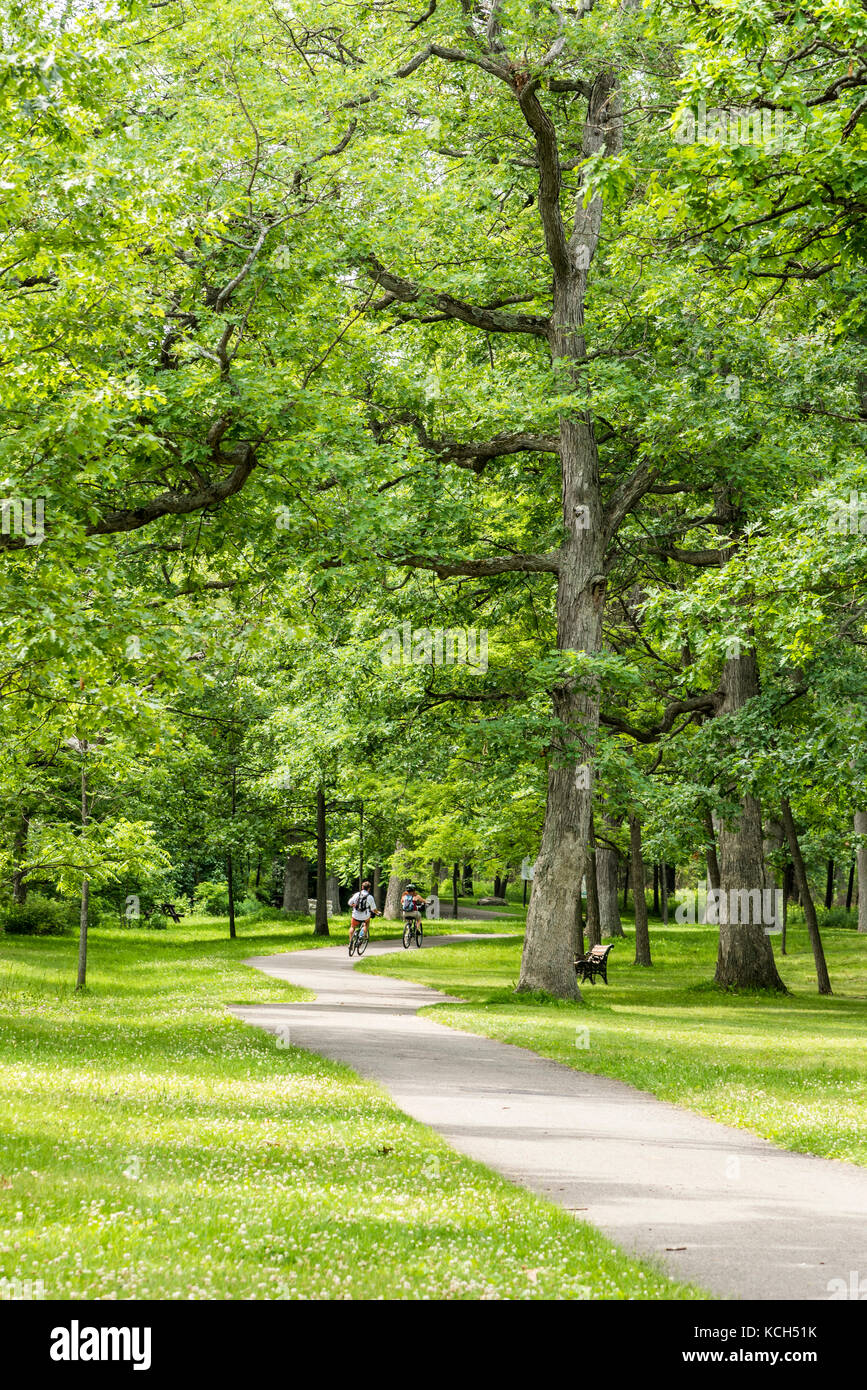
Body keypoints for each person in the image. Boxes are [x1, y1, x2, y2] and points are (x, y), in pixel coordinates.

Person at [348, 880, 379, 947]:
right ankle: (361, 936)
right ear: (369, 888)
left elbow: (349, 903)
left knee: (352, 927)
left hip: (355, 915)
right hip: (365, 916)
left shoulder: (356, 894)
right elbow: (374, 909)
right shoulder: (370, 897)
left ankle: (350, 942)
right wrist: (378, 912)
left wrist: (355, 905)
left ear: (362, 887)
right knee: (366, 924)